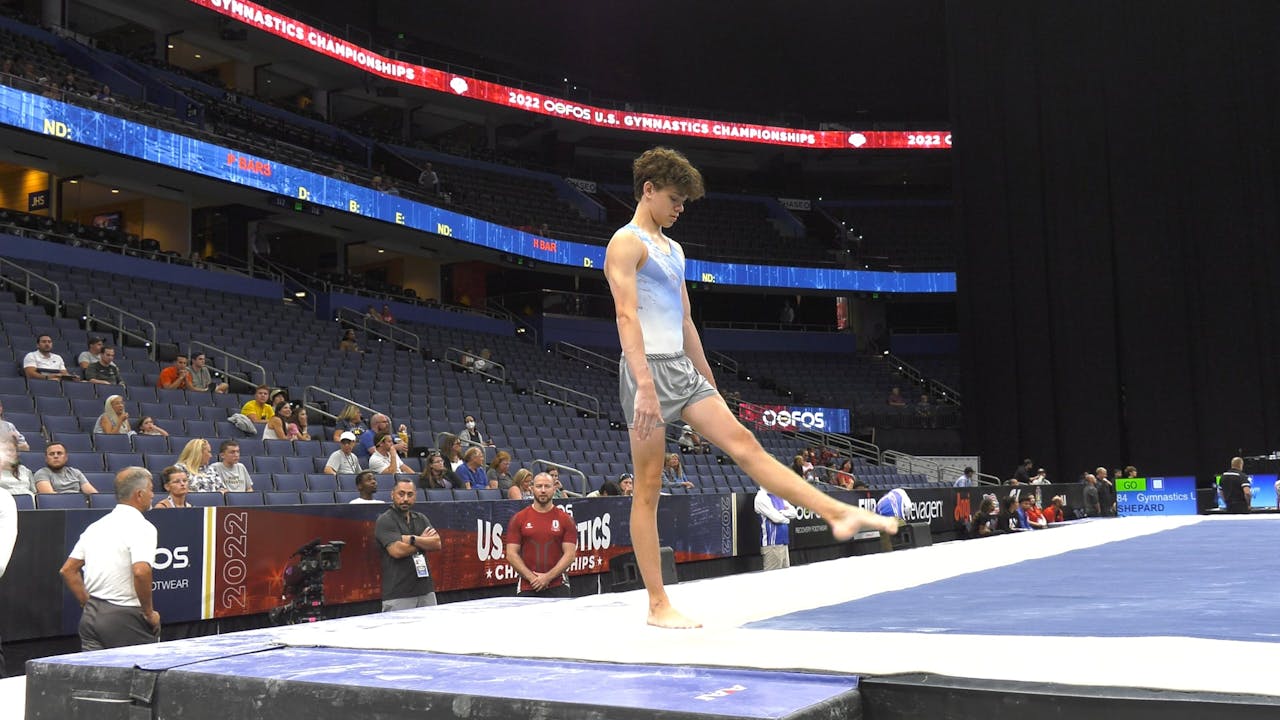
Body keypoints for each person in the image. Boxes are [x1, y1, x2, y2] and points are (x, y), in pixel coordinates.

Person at [604, 147, 895, 627]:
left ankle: (835, 512)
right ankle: (657, 605)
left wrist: (709, 383)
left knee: (746, 444)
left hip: (680, 368)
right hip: (644, 371)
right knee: (648, 487)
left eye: (684, 203)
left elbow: (686, 321)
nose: (680, 209)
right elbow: (625, 315)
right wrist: (645, 386)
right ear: (648, 190)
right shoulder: (625, 243)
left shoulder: (674, 250)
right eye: (674, 199)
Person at [58, 467, 160, 650]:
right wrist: (148, 613)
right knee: (141, 669)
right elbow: (141, 571)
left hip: (90, 617)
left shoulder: (96, 526)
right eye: (151, 490)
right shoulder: (143, 527)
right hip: (125, 618)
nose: (153, 495)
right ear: (139, 494)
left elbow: (68, 570)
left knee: (93, 670)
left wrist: (87, 604)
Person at [503, 472, 577, 597]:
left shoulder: (566, 520)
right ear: (532, 488)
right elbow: (511, 554)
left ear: (554, 489)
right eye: (539, 486)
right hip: (527, 586)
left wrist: (547, 577)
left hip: (558, 586)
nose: (543, 490)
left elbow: (570, 555)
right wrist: (532, 578)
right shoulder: (518, 518)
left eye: (547, 486)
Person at [374, 477, 441, 610]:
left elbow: (436, 543)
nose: (405, 499)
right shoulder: (385, 520)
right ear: (392, 494)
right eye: (401, 494)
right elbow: (397, 551)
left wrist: (412, 539)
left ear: (415, 496)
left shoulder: (421, 518)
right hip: (398, 594)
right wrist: (423, 542)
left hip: (426, 591)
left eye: (410, 495)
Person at [754, 488, 797, 570]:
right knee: (772, 576)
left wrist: (781, 512)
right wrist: (787, 519)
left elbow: (794, 513)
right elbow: (776, 518)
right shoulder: (761, 497)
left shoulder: (779, 495)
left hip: (784, 544)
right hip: (771, 545)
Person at [34, 443, 98, 494]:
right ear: (46, 459)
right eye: (51, 454)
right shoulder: (41, 473)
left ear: (66, 457)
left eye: (59, 453)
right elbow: (50, 497)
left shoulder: (75, 472)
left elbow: (92, 494)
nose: (56, 456)